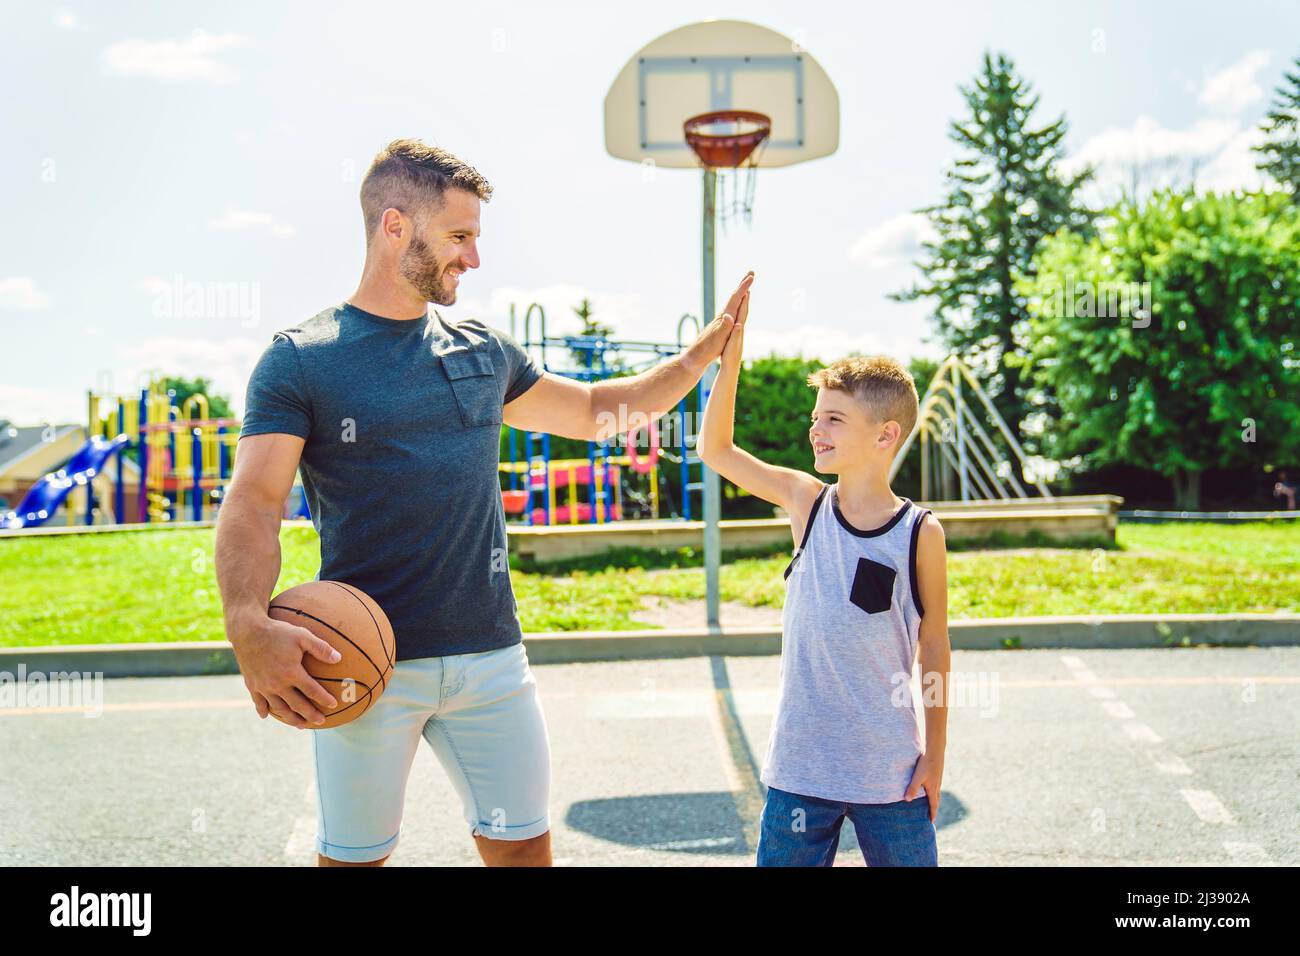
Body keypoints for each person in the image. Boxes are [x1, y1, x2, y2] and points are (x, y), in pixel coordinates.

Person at [214, 137, 753, 866]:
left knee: (524, 855)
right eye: (460, 237)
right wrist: (247, 621)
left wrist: (698, 359)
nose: (474, 258)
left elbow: (598, 409)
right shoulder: (302, 359)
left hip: (492, 662)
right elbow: (254, 501)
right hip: (366, 659)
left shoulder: (483, 349)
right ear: (395, 226)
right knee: (353, 860)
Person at [696, 291, 950, 867]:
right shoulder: (805, 502)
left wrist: (934, 756)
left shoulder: (920, 533)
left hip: (892, 774)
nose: (817, 429)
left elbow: (934, 648)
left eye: (834, 418)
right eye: (816, 418)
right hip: (799, 770)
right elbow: (715, 449)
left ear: (886, 435)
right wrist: (729, 363)